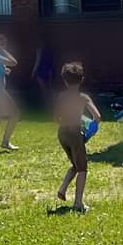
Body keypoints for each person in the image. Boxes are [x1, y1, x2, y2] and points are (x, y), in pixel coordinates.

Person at [53, 62, 100, 212]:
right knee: (82, 169)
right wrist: (90, 128)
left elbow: (56, 117)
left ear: (64, 81)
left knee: (76, 164)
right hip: (75, 134)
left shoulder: (61, 96)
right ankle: (78, 203)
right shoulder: (83, 98)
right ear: (82, 80)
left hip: (62, 133)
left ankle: (62, 189)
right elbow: (97, 116)